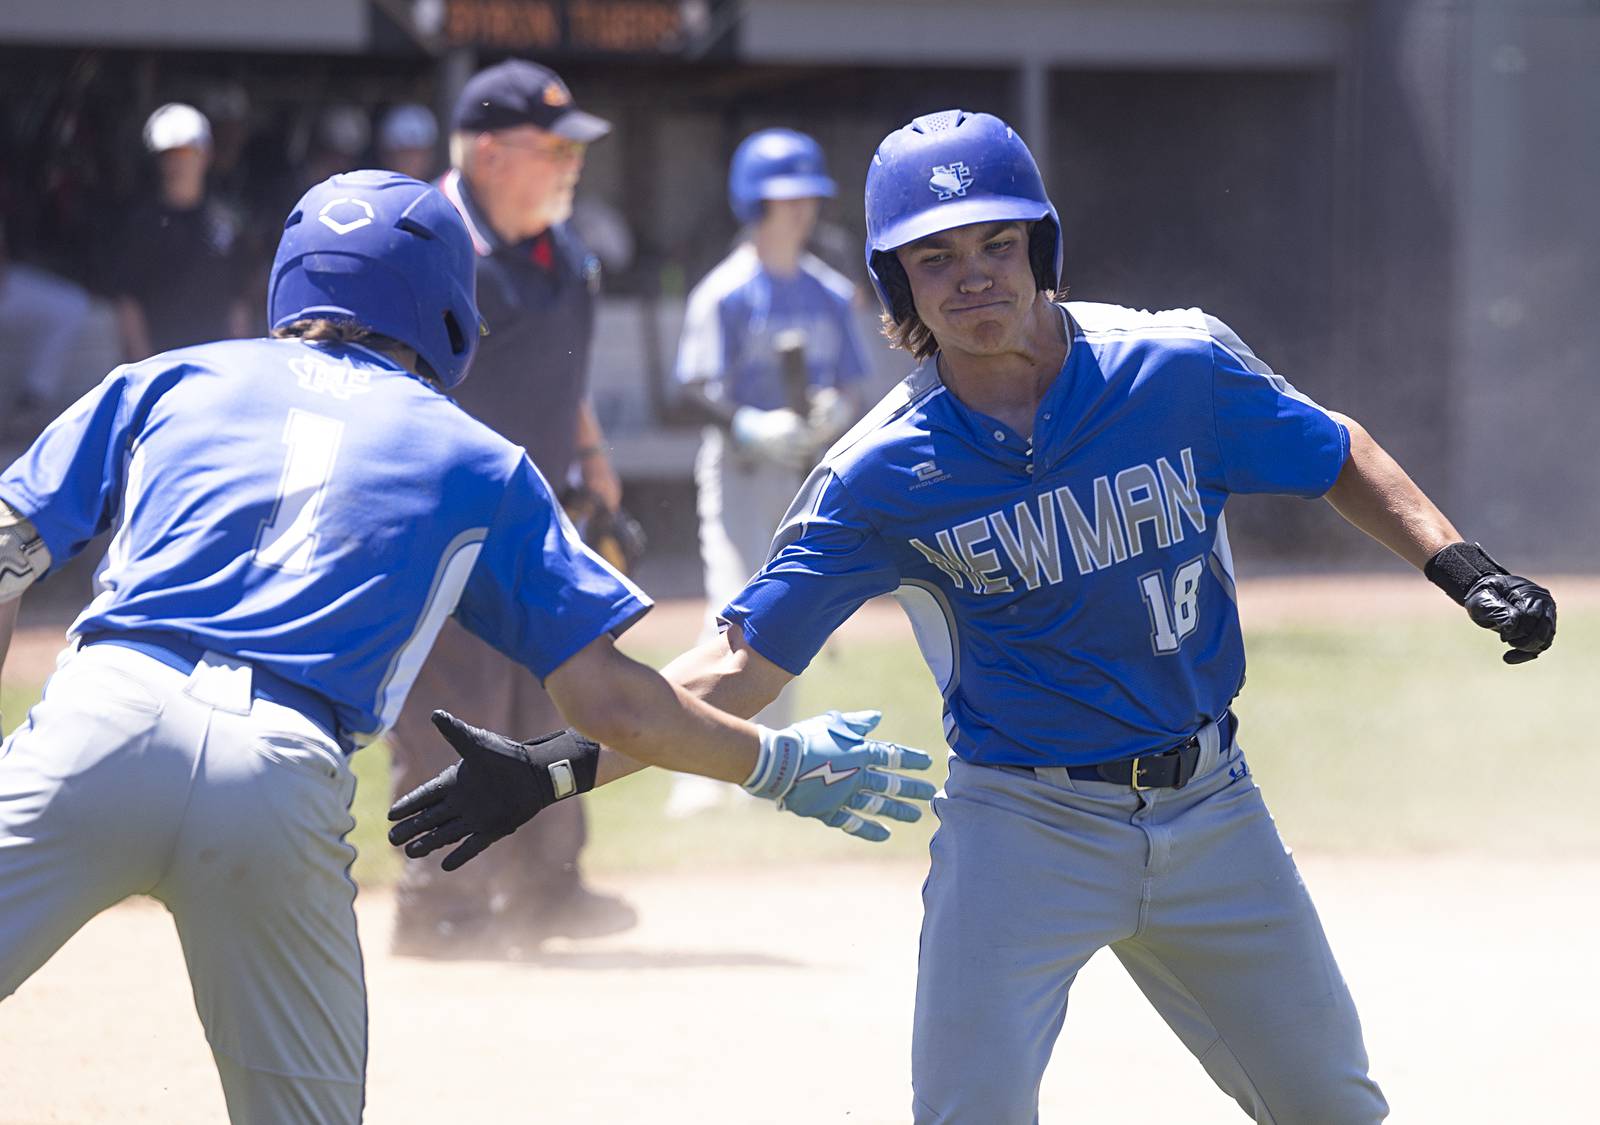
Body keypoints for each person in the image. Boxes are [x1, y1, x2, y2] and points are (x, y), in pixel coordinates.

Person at [392, 110, 1558, 1123]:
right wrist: (551, 769)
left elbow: (1332, 447)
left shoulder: (1176, 367)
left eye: (999, 244)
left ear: (1039, 249)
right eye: (935, 257)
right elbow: (737, 668)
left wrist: (1459, 568)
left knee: (1330, 1108)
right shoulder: (879, 473)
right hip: (1021, 831)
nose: (974, 277)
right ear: (896, 283)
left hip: (1214, 811)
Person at [0, 169, 933, 1125]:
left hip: (98, 719)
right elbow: (613, 703)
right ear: (449, 305)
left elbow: (4, 553)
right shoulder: (477, 458)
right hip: (278, 769)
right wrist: (776, 760)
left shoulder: (166, 378)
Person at [384, 58, 634, 958]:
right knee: (454, 712)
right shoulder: (420, 243)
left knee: (556, 703)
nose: (572, 162)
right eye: (553, 146)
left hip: (541, 516)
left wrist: (594, 459)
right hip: (440, 522)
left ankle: (549, 891)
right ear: (489, 152)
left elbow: (561, 377)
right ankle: (442, 909)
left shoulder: (565, 250)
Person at [666, 127, 873, 818]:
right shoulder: (724, 292)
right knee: (733, 603)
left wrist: (827, 414)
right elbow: (691, 387)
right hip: (741, 465)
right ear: (755, 200)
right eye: (788, 197)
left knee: (797, 611)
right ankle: (698, 766)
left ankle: (783, 760)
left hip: (807, 472)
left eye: (809, 197)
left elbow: (852, 382)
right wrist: (751, 422)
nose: (802, 210)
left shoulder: (829, 291)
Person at [107, 103, 251, 361]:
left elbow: (237, 299)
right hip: (158, 362)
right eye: (168, 155)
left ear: (206, 155)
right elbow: (128, 299)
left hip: (215, 361)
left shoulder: (226, 224)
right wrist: (142, 363)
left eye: (186, 153)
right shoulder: (141, 225)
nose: (177, 163)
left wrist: (238, 359)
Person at [376, 103, 439, 182]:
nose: (412, 161)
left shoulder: (442, 191)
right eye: (405, 153)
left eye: (418, 151)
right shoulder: (375, 192)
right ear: (386, 156)